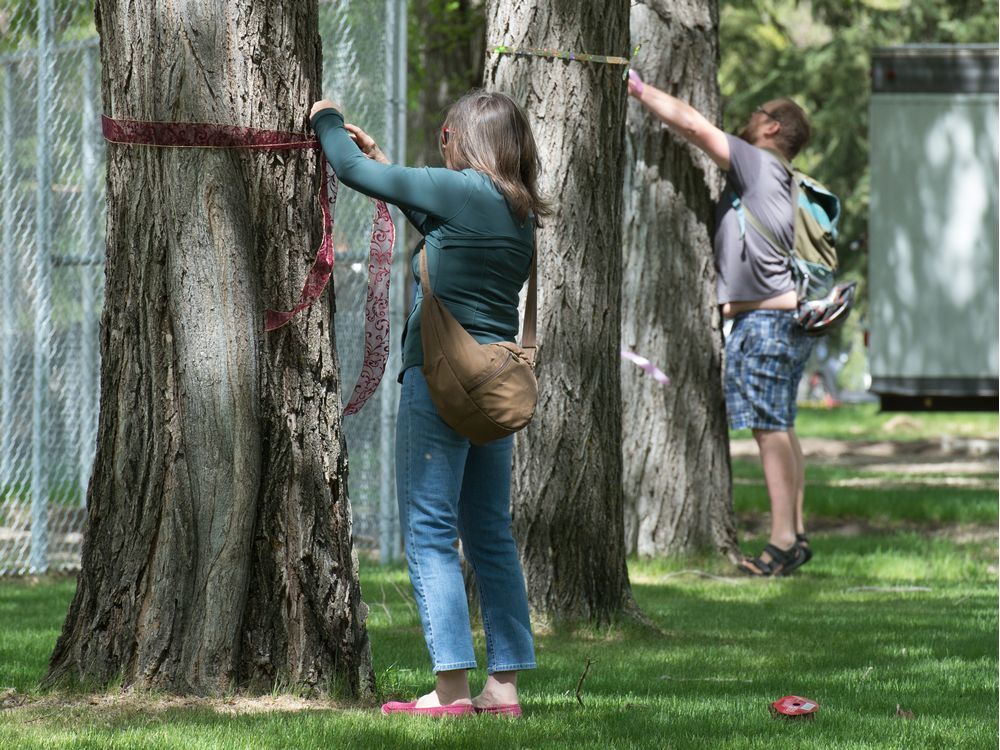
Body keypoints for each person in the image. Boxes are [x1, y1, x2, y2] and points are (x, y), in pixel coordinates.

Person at [310, 90, 548, 716]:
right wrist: (395, 167)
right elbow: (453, 242)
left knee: (431, 531)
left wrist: (326, 118)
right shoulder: (518, 210)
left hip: (438, 382)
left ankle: (449, 694)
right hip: (493, 390)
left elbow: (351, 169)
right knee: (490, 534)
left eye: (446, 136)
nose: (442, 146)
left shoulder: (462, 189)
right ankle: (504, 689)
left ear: (463, 140)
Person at [627, 71, 813, 577]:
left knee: (770, 430)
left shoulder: (758, 163)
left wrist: (639, 91)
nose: (751, 116)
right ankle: (793, 533)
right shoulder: (781, 178)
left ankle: (779, 542)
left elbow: (695, 127)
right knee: (783, 426)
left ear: (774, 128)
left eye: (760, 111)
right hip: (783, 319)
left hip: (765, 322)